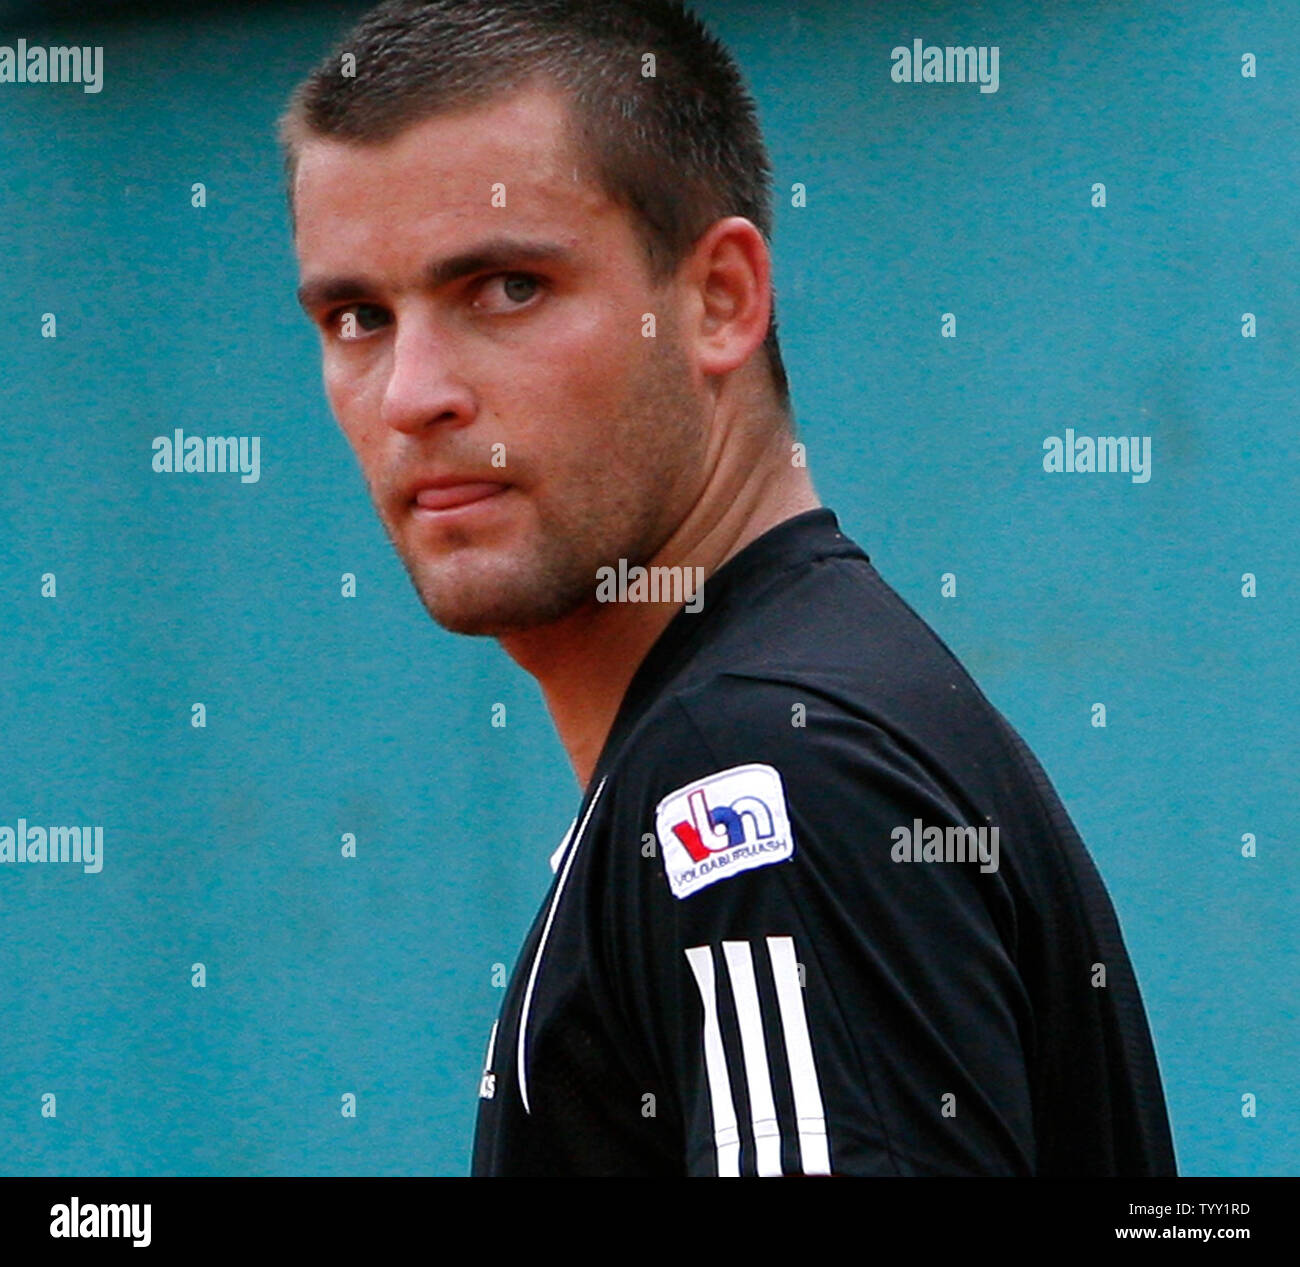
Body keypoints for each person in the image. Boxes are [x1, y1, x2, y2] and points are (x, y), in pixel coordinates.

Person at [279, 0, 1177, 1176]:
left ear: (719, 299)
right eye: (358, 316)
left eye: (506, 289)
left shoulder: (757, 770)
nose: (412, 395)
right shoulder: (759, 731)